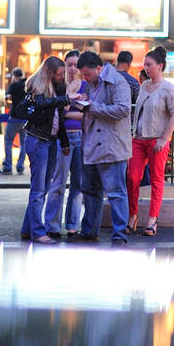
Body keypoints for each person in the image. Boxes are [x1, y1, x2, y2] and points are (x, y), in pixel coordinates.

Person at [73, 50, 133, 245]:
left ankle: (119, 234)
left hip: (112, 146)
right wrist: (83, 100)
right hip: (91, 145)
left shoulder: (117, 82)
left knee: (116, 193)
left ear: (99, 68)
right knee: (90, 191)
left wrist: (92, 106)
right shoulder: (91, 84)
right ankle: (89, 230)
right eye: (83, 75)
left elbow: (123, 109)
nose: (86, 78)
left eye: (88, 74)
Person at [127, 47, 174, 237]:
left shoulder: (168, 88)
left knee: (157, 180)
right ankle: (132, 215)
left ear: (160, 66)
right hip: (138, 139)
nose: (146, 68)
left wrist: (164, 138)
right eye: (145, 65)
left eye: (149, 65)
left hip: (157, 140)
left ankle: (152, 220)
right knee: (133, 177)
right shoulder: (143, 86)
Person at [19, 58, 72, 244]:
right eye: (58, 73)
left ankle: (27, 229)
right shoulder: (38, 85)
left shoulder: (58, 87)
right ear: (49, 72)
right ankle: (38, 232)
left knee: (43, 188)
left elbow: (59, 118)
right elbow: (42, 104)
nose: (61, 76)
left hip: (49, 142)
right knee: (39, 189)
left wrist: (64, 142)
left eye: (62, 73)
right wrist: (65, 99)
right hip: (37, 141)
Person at [54, 50, 85, 238]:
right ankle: (54, 225)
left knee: (78, 184)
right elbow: (62, 110)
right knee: (58, 183)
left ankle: (73, 224)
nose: (72, 68)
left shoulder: (87, 86)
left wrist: (70, 112)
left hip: (81, 137)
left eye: (76, 64)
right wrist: (69, 94)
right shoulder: (59, 86)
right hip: (62, 137)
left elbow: (86, 115)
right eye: (69, 64)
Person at [3, 68, 27, 173]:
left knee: (8, 141)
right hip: (26, 118)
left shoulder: (13, 85)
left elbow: (7, 97)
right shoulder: (28, 85)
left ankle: (8, 166)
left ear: (15, 76)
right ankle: (20, 166)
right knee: (23, 143)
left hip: (14, 117)